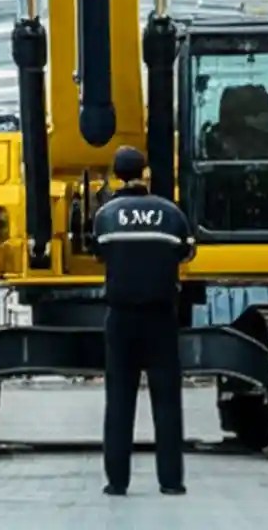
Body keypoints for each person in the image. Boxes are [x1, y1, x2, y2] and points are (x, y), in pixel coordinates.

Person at [91, 146, 194, 497]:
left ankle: (117, 482)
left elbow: (98, 252)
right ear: (145, 171)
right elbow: (186, 251)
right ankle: (171, 481)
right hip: (162, 318)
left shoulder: (105, 216)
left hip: (120, 320)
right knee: (166, 402)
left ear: (117, 173)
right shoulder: (170, 214)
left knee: (119, 402)